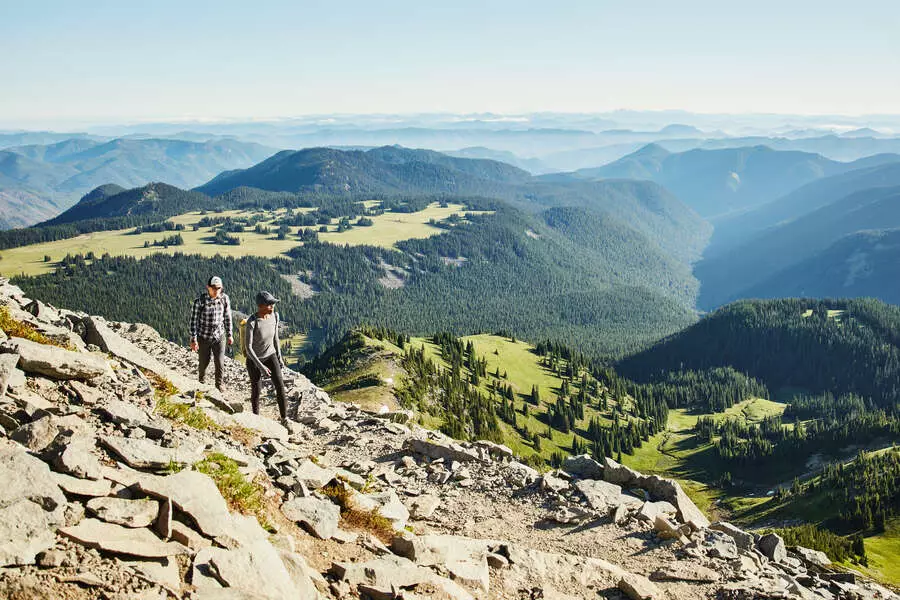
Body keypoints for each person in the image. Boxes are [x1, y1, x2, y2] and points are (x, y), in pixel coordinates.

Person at [243, 290, 288, 423]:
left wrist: (279, 358)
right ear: (260, 305)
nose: (272, 306)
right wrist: (261, 366)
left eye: (273, 303)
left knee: (280, 386)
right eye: (269, 304)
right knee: (257, 390)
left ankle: (285, 418)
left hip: (271, 355)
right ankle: (256, 419)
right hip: (254, 361)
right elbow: (248, 348)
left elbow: (276, 338)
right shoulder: (252, 322)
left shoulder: (275, 316)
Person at [189, 276, 233, 391]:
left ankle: (219, 384)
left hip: (219, 335)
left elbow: (227, 317)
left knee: (219, 361)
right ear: (208, 287)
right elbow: (194, 320)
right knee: (204, 361)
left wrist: (229, 334)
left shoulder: (224, 299)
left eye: (218, 288)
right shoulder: (200, 302)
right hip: (204, 336)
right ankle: (201, 381)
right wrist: (193, 339)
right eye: (213, 288)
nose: (216, 290)